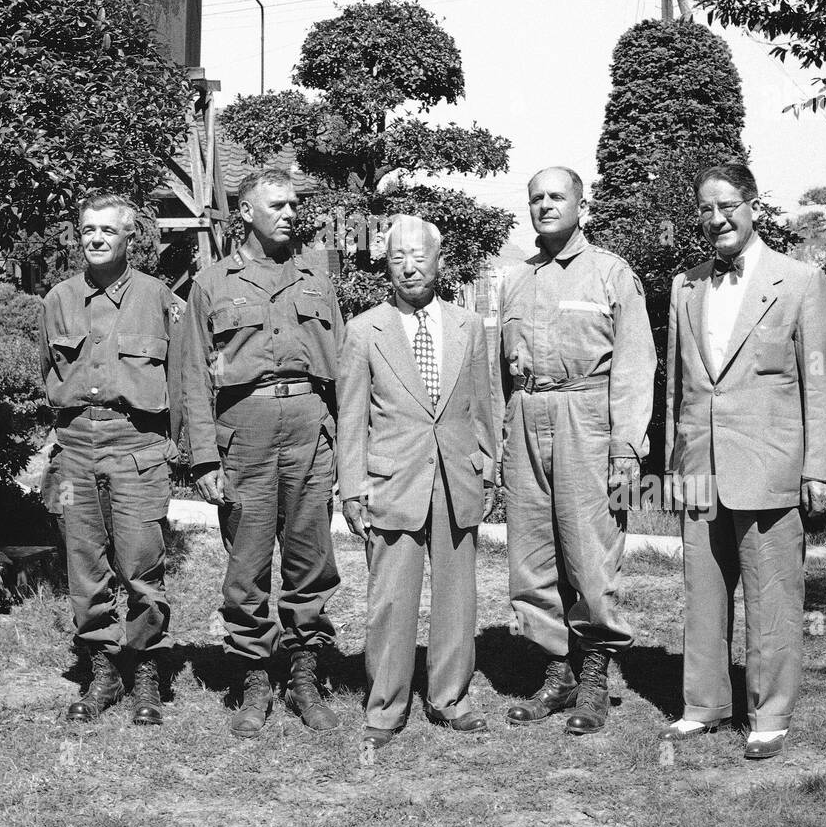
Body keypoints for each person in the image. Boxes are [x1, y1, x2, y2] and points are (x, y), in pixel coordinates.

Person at [662, 162, 826, 760]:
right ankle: (704, 704)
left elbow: (822, 380)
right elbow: (678, 389)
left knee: (772, 595)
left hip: (768, 466)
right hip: (699, 465)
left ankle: (769, 714)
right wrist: (673, 462)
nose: (716, 220)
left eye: (727, 207)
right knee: (703, 591)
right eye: (705, 210)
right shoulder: (684, 285)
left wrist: (819, 467)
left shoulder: (799, 281)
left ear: (753, 207)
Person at [180, 168, 344, 738]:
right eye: (277, 204)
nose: (290, 213)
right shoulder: (211, 283)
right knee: (246, 564)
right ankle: (254, 677)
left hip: (309, 429)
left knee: (311, 559)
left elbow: (343, 371)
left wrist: (347, 452)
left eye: (295, 204)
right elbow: (192, 378)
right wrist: (203, 459)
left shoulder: (316, 277)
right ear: (245, 212)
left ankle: (303, 676)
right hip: (242, 433)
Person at [498, 166, 656, 734]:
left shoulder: (612, 274)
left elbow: (638, 367)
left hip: (588, 420)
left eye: (557, 196)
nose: (545, 205)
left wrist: (626, 449)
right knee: (532, 553)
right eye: (536, 197)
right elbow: (500, 372)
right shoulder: (515, 279)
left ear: (581, 205)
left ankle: (594, 674)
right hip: (525, 418)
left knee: (590, 550)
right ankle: (556, 671)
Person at [337, 215, 497, 750]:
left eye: (419, 256)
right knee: (391, 600)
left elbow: (482, 403)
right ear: (386, 264)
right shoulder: (363, 330)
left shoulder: (467, 326)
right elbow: (352, 415)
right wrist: (352, 486)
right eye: (397, 257)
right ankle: (386, 707)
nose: (409, 266)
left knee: (458, 598)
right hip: (392, 481)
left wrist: (489, 464)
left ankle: (450, 697)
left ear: (439, 261)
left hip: (457, 477)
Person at [40, 192, 183, 726]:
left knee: (142, 561)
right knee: (84, 562)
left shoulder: (159, 298)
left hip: (136, 446)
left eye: (107, 230)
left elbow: (182, 375)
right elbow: (48, 371)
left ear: (129, 237)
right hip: (74, 450)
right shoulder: (57, 299)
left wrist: (171, 446)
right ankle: (102, 668)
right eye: (87, 230)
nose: (95, 238)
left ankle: (145, 666)